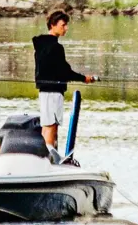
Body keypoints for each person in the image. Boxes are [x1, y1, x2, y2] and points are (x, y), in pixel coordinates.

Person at [32, 9, 96, 160]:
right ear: (53, 25)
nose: (66, 28)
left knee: (46, 125)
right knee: (51, 127)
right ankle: (47, 160)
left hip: (43, 91)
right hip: (54, 91)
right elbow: (65, 72)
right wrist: (84, 78)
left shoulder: (40, 44)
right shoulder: (56, 47)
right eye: (63, 25)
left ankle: (42, 158)